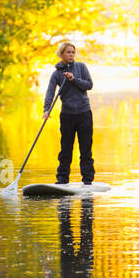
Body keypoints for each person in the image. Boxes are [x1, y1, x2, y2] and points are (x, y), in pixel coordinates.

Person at [43, 41, 95, 185]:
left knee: (86, 148)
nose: (71, 55)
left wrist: (74, 79)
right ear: (61, 54)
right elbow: (50, 92)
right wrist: (46, 109)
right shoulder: (56, 74)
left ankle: (87, 180)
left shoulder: (81, 67)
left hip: (84, 113)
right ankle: (62, 180)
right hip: (67, 115)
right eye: (68, 52)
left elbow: (89, 85)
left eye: (73, 52)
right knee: (66, 148)